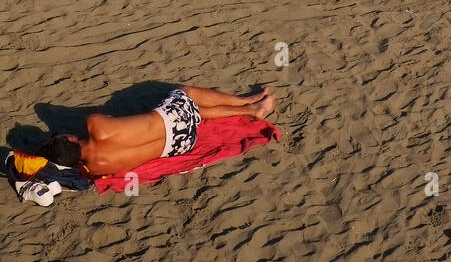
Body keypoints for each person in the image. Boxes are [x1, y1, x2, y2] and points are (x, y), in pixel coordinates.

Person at [34, 84, 275, 176]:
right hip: (172, 121)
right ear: (71, 137)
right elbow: (108, 117)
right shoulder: (94, 125)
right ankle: (249, 103)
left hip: (181, 144)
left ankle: (253, 109)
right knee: (186, 94)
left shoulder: (96, 168)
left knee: (191, 112)